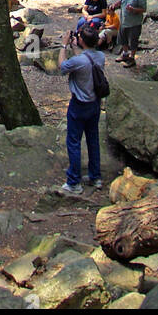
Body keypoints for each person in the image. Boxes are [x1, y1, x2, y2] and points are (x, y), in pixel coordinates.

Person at [56, 23, 105, 196]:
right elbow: (85, 60)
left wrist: (64, 45)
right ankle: (95, 177)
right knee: (93, 139)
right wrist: (76, 47)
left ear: (81, 40)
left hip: (79, 106)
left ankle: (74, 182)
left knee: (74, 142)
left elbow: (62, 67)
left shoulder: (79, 61)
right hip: (94, 105)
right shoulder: (100, 57)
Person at [117, 0, 147, 68]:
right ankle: (125, 54)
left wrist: (133, 9)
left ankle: (132, 58)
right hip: (124, 21)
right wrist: (114, 5)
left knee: (133, 41)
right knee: (123, 39)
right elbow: (121, 1)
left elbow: (143, 9)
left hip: (134, 23)